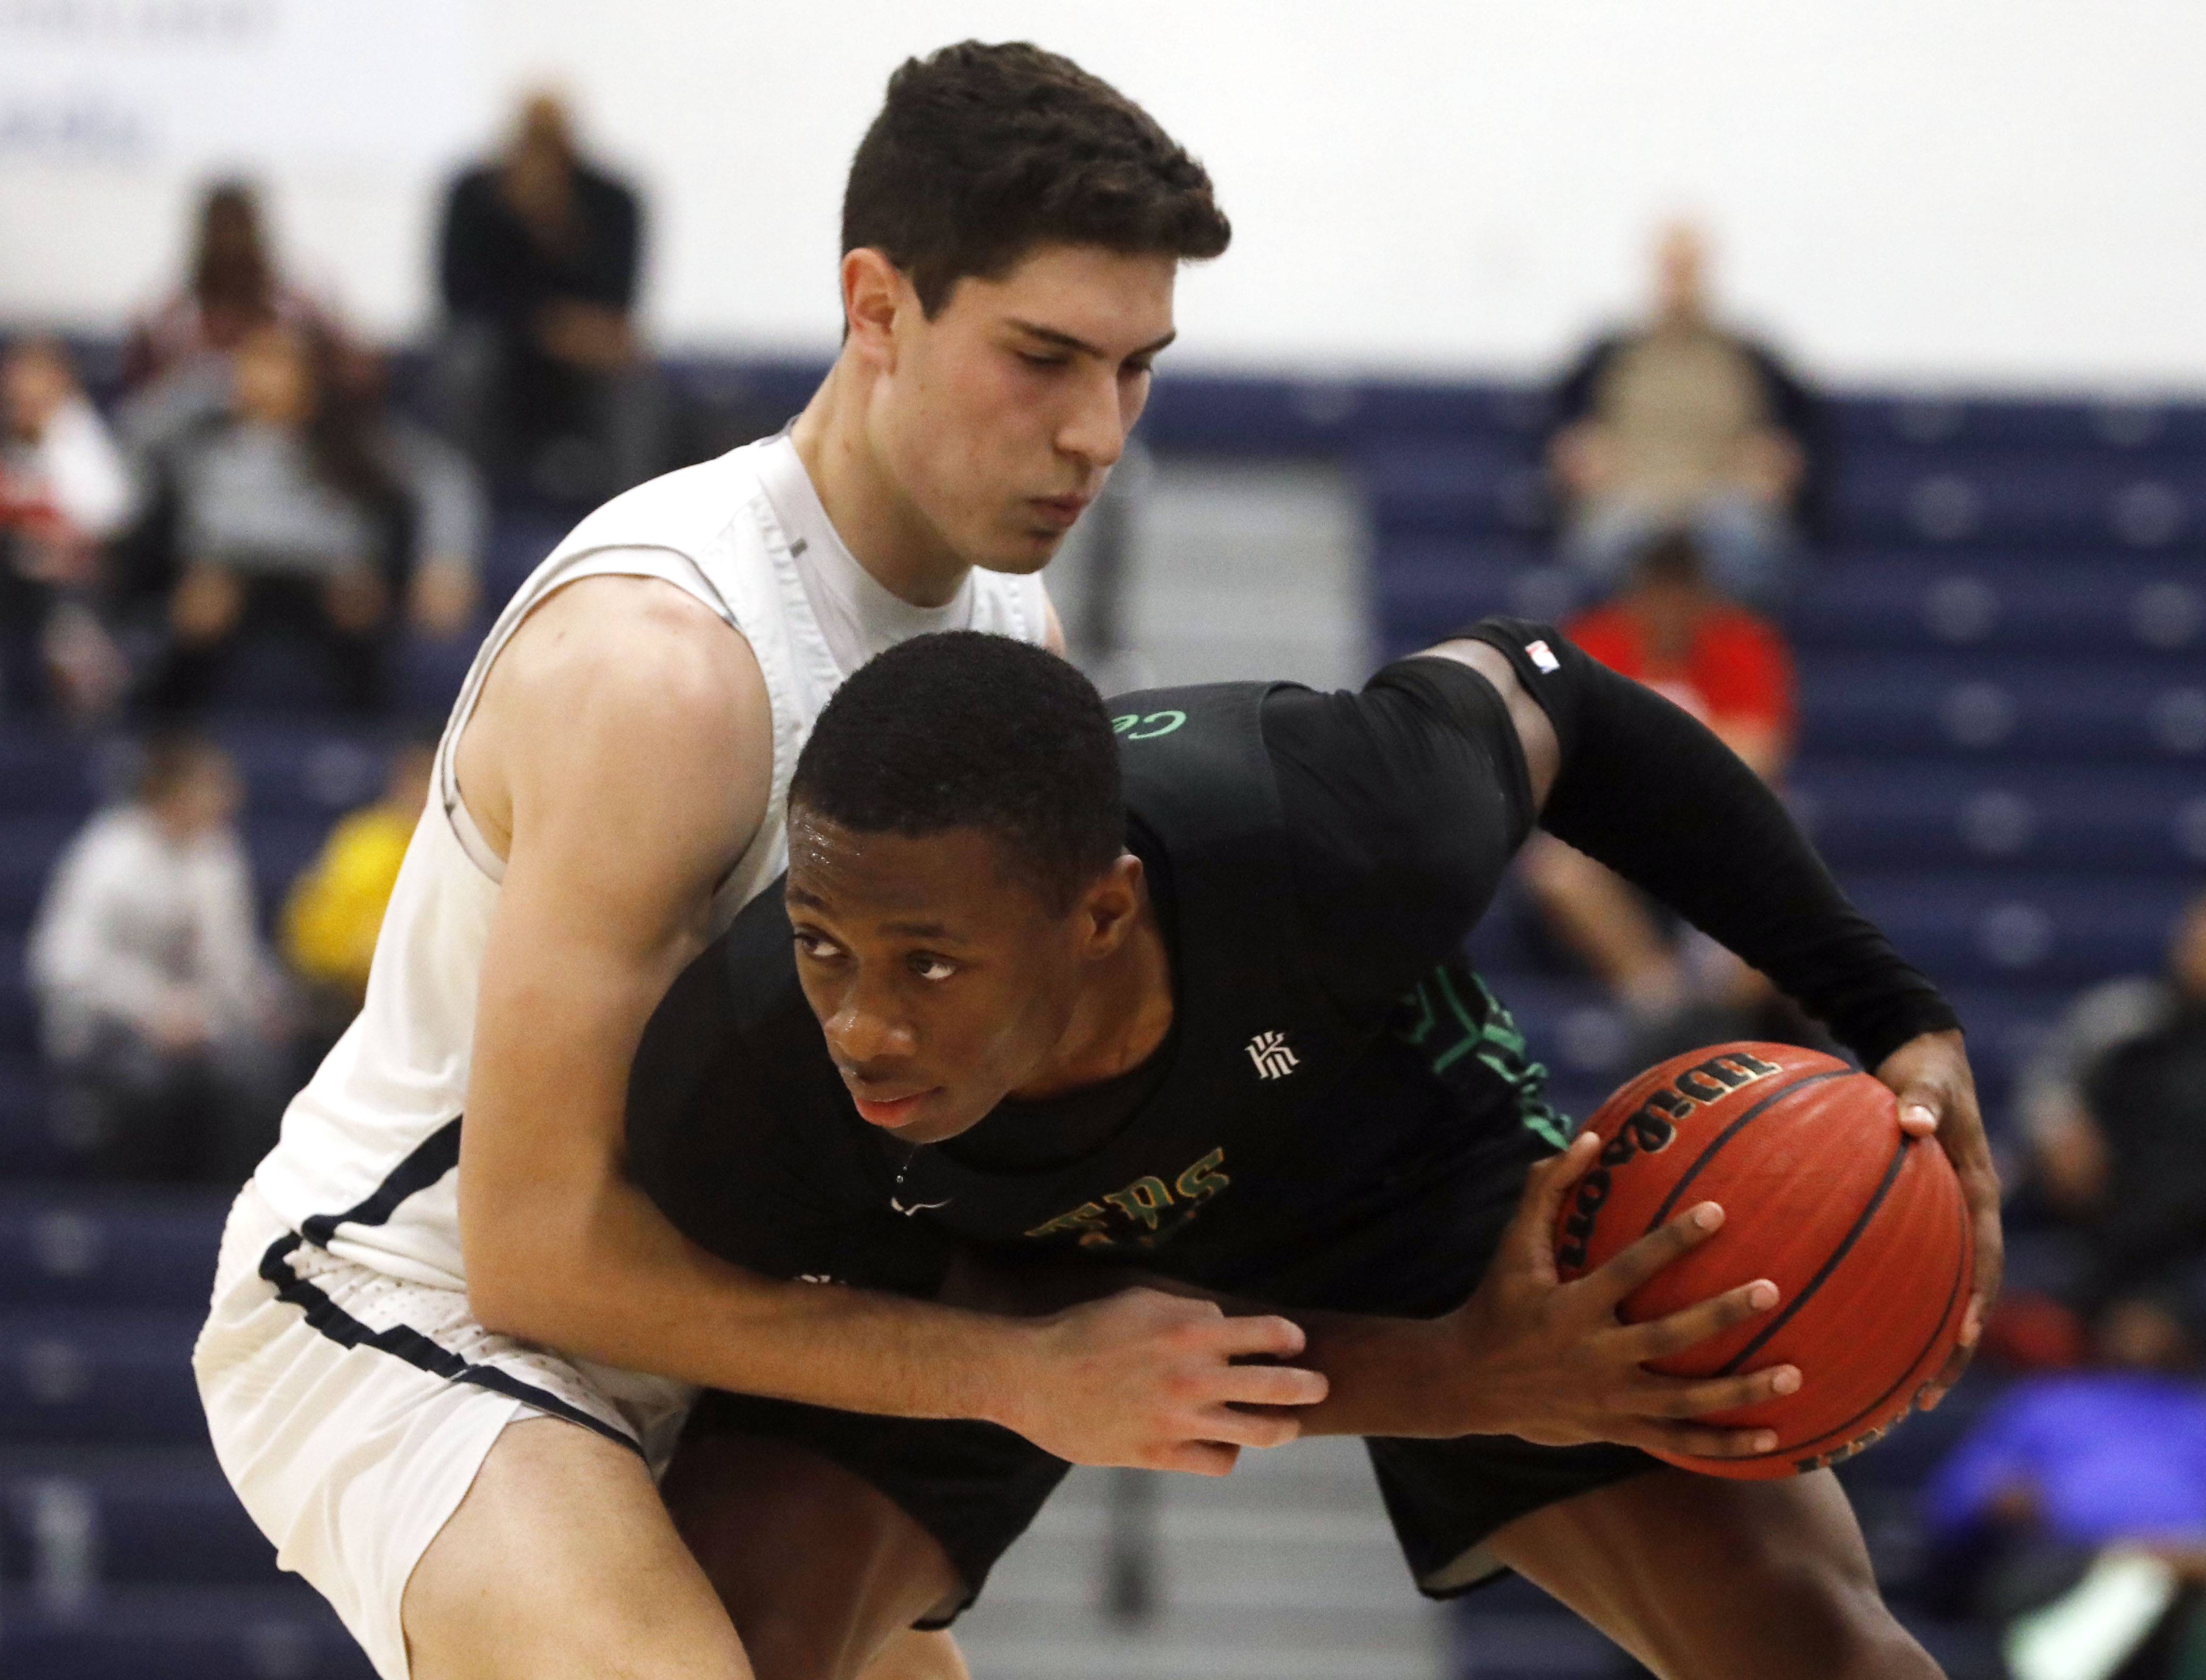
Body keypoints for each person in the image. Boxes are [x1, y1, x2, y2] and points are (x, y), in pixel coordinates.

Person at [193, 41, 1274, 1680]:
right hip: (419, 1300)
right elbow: (534, 1248)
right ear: (876, 307)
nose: (1098, 432)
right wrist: (1009, 1368)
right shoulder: (670, 663)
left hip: (706, 1326)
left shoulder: (1013, 637)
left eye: (1137, 369)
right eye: (1044, 357)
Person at [622, 626, 2004, 1679]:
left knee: (1821, 1656)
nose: (860, 1023)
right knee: (708, 1657)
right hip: (977, 1265)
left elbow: (1561, 697)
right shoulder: (743, 1073)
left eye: (928, 963)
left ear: (1102, 914)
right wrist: (1448, 1384)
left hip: (1382, 1168)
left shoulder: (1330, 824)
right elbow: (656, 1296)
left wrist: (1894, 1015)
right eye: (821, 944)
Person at [1519, 529, 1807, 1056]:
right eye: (1658, 592)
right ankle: (1658, 997)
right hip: (1615, 826)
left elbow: (1758, 752)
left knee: (1780, 875)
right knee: (1558, 871)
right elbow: (1563, 750)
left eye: (1683, 594)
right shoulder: (1591, 642)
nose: (1669, 609)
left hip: (1718, 824)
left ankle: (1725, 1015)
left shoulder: (1741, 643)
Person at [130, 319, 485, 712]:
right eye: (253, 362)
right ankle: (173, 742)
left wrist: (446, 560)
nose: (263, 376)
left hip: (327, 578)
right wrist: (211, 380)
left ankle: (363, 746)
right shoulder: (204, 433)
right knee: (196, 612)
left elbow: (443, 478)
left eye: (279, 363)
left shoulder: (351, 438)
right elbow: (133, 435)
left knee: (359, 612)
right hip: (227, 569)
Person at [27, 733, 289, 1181]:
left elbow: (233, 960)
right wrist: (152, 1009)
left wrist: (266, 1002)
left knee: (256, 1074)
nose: (228, 799)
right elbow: (65, 964)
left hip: (201, 1028)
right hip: (110, 1029)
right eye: (212, 786)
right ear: (171, 791)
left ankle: (235, 1206)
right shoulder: (108, 853)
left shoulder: (216, 855)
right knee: (150, 1081)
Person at [1548, 221, 1819, 608]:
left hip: (1720, 495)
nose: (1680, 281)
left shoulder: (1748, 355)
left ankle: (1723, 655)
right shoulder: (1611, 353)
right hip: (1631, 494)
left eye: (1689, 269)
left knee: (1753, 543)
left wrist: (1779, 463)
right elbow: (1557, 429)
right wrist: (1577, 457)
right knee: (1597, 544)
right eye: (1671, 269)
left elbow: (1803, 435)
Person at [431, 92, 666, 503]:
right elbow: (459, 297)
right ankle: (458, 512)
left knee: (636, 377)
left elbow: (619, 300)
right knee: (464, 361)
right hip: (502, 361)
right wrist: (544, 324)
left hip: (582, 367)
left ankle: (632, 517)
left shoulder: (611, 199)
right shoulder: (475, 194)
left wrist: (558, 227)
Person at [0, 336, 134, 715]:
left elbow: (111, 513)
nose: (24, 388)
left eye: (37, 376)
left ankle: (80, 672)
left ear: (63, 381)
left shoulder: (80, 435)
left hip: (66, 577)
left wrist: (59, 534)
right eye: (17, 377)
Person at [281, 734, 438, 1057]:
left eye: (432, 778)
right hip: (353, 998)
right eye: (416, 777)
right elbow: (312, 936)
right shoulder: (360, 839)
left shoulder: (463, 848)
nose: (422, 792)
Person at [123, 179, 333, 393]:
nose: (231, 243)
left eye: (238, 229)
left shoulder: (296, 312)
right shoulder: (172, 321)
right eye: (222, 230)